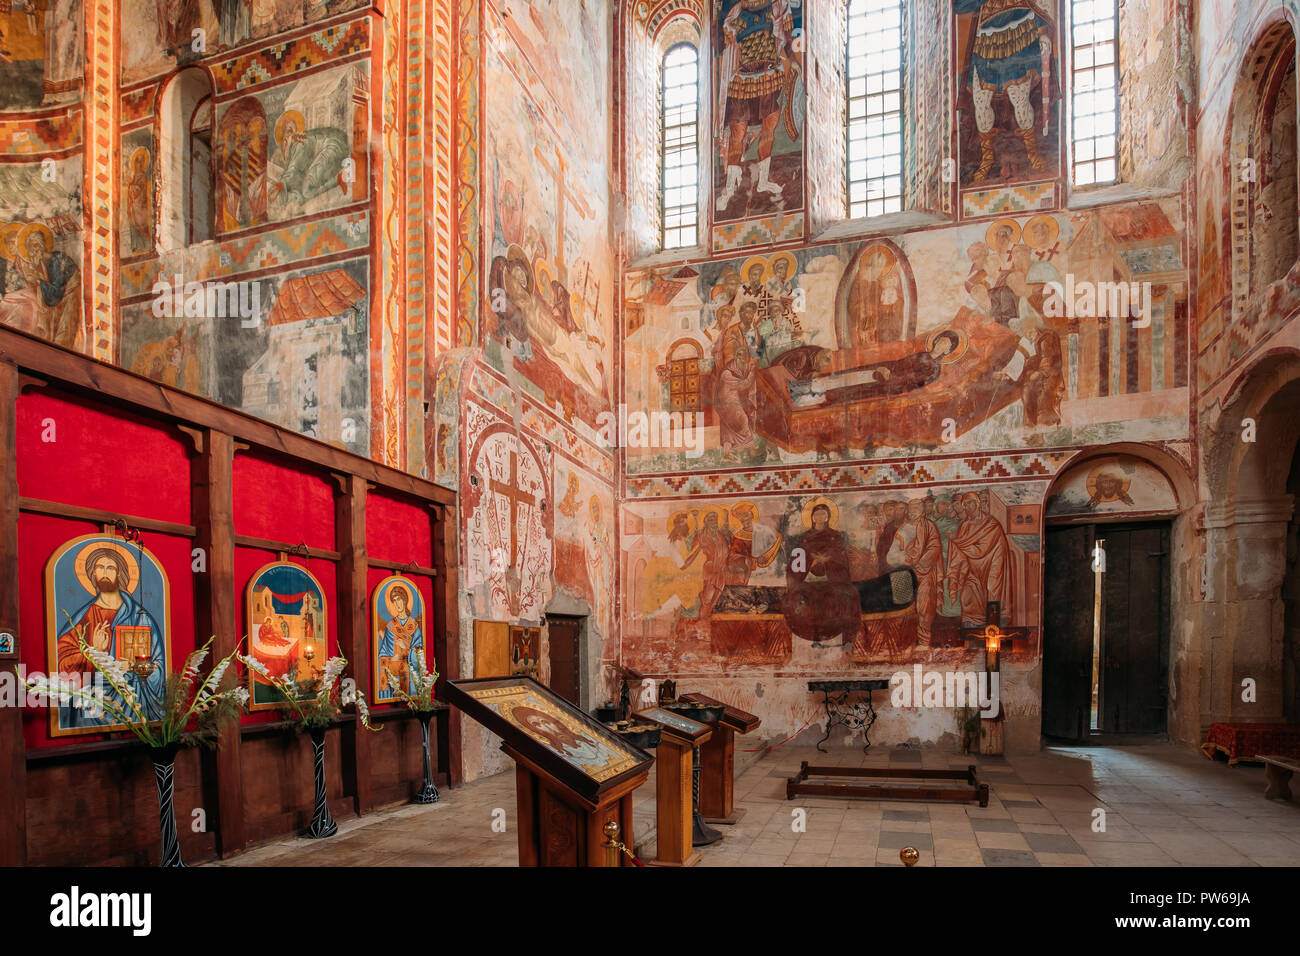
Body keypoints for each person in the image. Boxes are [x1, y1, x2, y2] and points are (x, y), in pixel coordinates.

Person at [55, 546, 166, 729]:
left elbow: (159, 665)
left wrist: (134, 667)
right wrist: (94, 652)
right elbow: (63, 660)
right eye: (100, 567)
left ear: (119, 574)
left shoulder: (140, 617)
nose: (104, 572)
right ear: (92, 574)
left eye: (110, 568)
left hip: (134, 701)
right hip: (95, 702)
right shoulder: (83, 618)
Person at [715, 0, 798, 211]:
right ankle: (730, 187)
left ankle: (762, 181)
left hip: (768, 73)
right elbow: (725, 43)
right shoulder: (736, 13)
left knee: (768, 128)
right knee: (737, 134)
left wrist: (793, 60)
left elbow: (787, 36)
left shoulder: (776, 7)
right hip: (743, 77)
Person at [946, 492, 1013, 625]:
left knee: (992, 589)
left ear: (978, 504)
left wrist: (957, 541)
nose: (968, 506)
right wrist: (956, 571)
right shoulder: (965, 525)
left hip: (993, 563)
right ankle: (972, 623)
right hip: (973, 568)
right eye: (965, 504)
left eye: (971, 502)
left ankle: (994, 624)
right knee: (968, 593)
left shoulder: (991, 524)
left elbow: (981, 550)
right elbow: (960, 553)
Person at [378, 585, 424, 696]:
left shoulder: (414, 627)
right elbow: (383, 653)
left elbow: (420, 655)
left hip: (409, 672)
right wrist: (389, 658)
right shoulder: (390, 626)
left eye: (399, 599)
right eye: (394, 601)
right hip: (394, 670)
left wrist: (405, 648)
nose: (396, 603)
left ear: (404, 600)